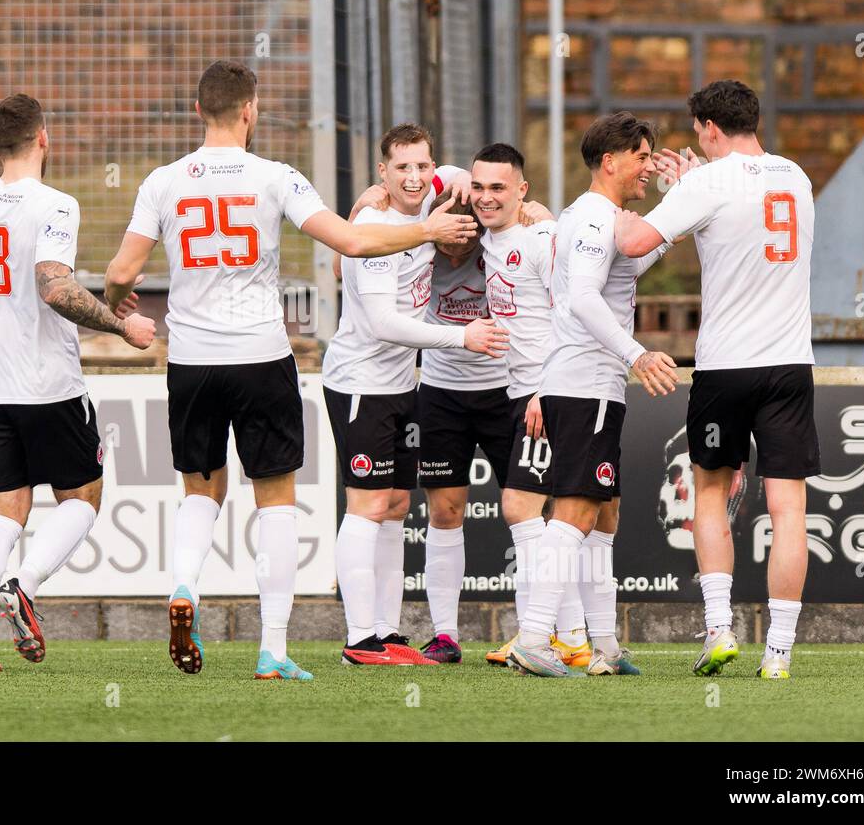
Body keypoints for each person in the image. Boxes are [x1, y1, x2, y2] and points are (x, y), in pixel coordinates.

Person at [104, 64, 477, 680]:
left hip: (192, 361)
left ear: (200, 111)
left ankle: (184, 586)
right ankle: (272, 648)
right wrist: (428, 228)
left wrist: (122, 300)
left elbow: (121, 270)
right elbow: (351, 244)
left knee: (201, 491)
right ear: (250, 110)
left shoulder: (163, 181)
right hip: (259, 356)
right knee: (274, 500)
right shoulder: (276, 178)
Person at [0, 93, 155, 672]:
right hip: (49, 387)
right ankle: (25, 588)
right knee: (84, 499)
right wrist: (122, 325)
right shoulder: (55, 204)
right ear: (45, 138)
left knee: (5, 512)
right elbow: (52, 288)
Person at [615, 79, 818, 680]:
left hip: (727, 366)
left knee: (711, 494)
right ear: (753, 121)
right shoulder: (797, 176)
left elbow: (633, 245)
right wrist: (691, 191)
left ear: (706, 127)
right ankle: (778, 652)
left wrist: (634, 206)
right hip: (789, 365)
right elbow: (748, 228)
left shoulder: (707, 182)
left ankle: (719, 629)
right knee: (788, 510)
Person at [322, 123, 507, 666]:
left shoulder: (438, 191)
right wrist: (462, 335)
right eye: (400, 167)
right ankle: (359, 639)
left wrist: (538, 211)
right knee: (368, 505)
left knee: (398, 505)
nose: (413, 177)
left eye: (421, 166)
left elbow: (490, 184)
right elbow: (382, 323)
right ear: (382, 173)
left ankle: (386, 630)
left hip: (404, 385)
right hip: (362, 382)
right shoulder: (376, 225)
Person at [507, 112, 678, 678]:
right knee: (577, 512)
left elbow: (630, 264)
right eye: (642, 156)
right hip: (584, 385)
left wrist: (678, 210)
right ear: (611, 160)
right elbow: (583, 296)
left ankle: (603, 645)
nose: (649, 166)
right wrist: (637, 354)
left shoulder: (597, 218)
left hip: (588, 386)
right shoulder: (591, 219)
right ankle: (533, 638)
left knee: (605, 513)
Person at [469, 142, 590, 669]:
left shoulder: (541, 239)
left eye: (499, 188)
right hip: (520, 391)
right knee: (542, 515)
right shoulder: (489, 236)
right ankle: (572, 637)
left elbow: (573, 314)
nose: (485, 198)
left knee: (523, 508)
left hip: (546, 392)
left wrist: (546, 389)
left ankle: (559, 635)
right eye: (478, 187)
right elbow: (438, 178)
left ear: (522, 191)